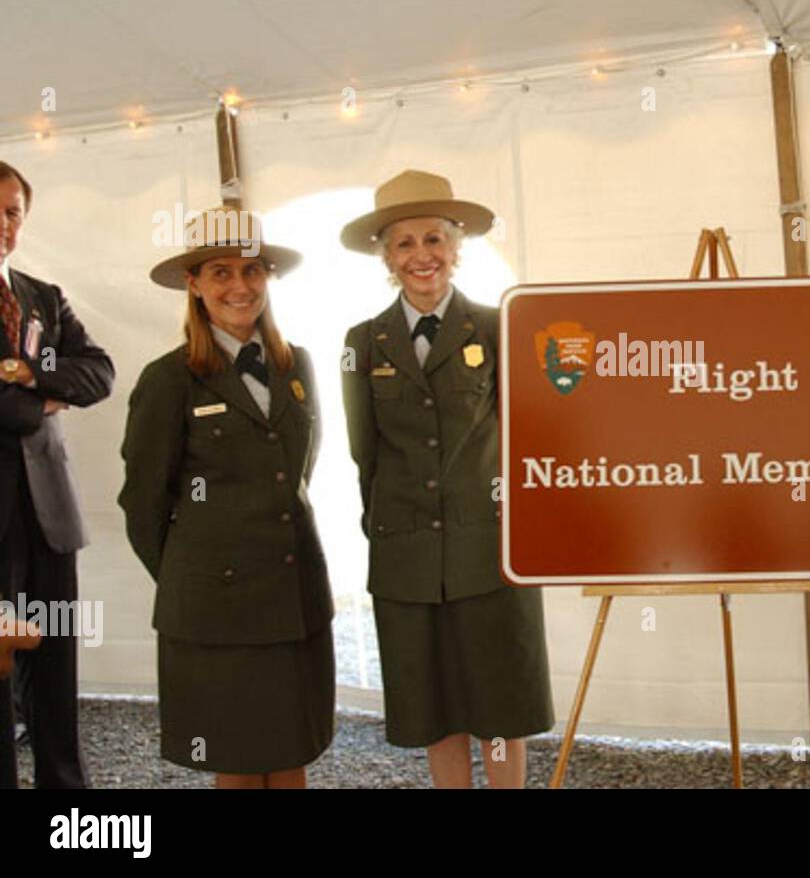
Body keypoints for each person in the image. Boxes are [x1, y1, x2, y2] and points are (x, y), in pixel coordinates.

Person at [340, 170, 552, 788]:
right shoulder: (362, 341)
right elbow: (365, 454)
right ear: (386, 257)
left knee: (499, 704)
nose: (421, 256)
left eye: (433, 239)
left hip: (490, 546)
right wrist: (390, 526)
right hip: (406, 551)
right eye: (404, 244)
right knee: (433, 708)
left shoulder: (500, 325)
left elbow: (528, 434)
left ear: (457, 249)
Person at [118, 208, 334, 789]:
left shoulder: (297, 366)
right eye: (219, 273)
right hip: (218, 607)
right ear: (193, 284)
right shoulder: (169, 379)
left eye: (251, 270)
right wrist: (194, 578)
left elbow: (297, 471)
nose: (239, 287)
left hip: (293, 595)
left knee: (291, 750)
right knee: (237, 756)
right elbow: (142, 502)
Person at [0, 161, 114, 789]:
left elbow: (98, 372)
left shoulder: (42, 296)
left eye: (13, 211)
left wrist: (27, 375)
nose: (4, 223)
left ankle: (65, 796)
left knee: (55, 659)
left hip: (50, 515)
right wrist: (39, 402)